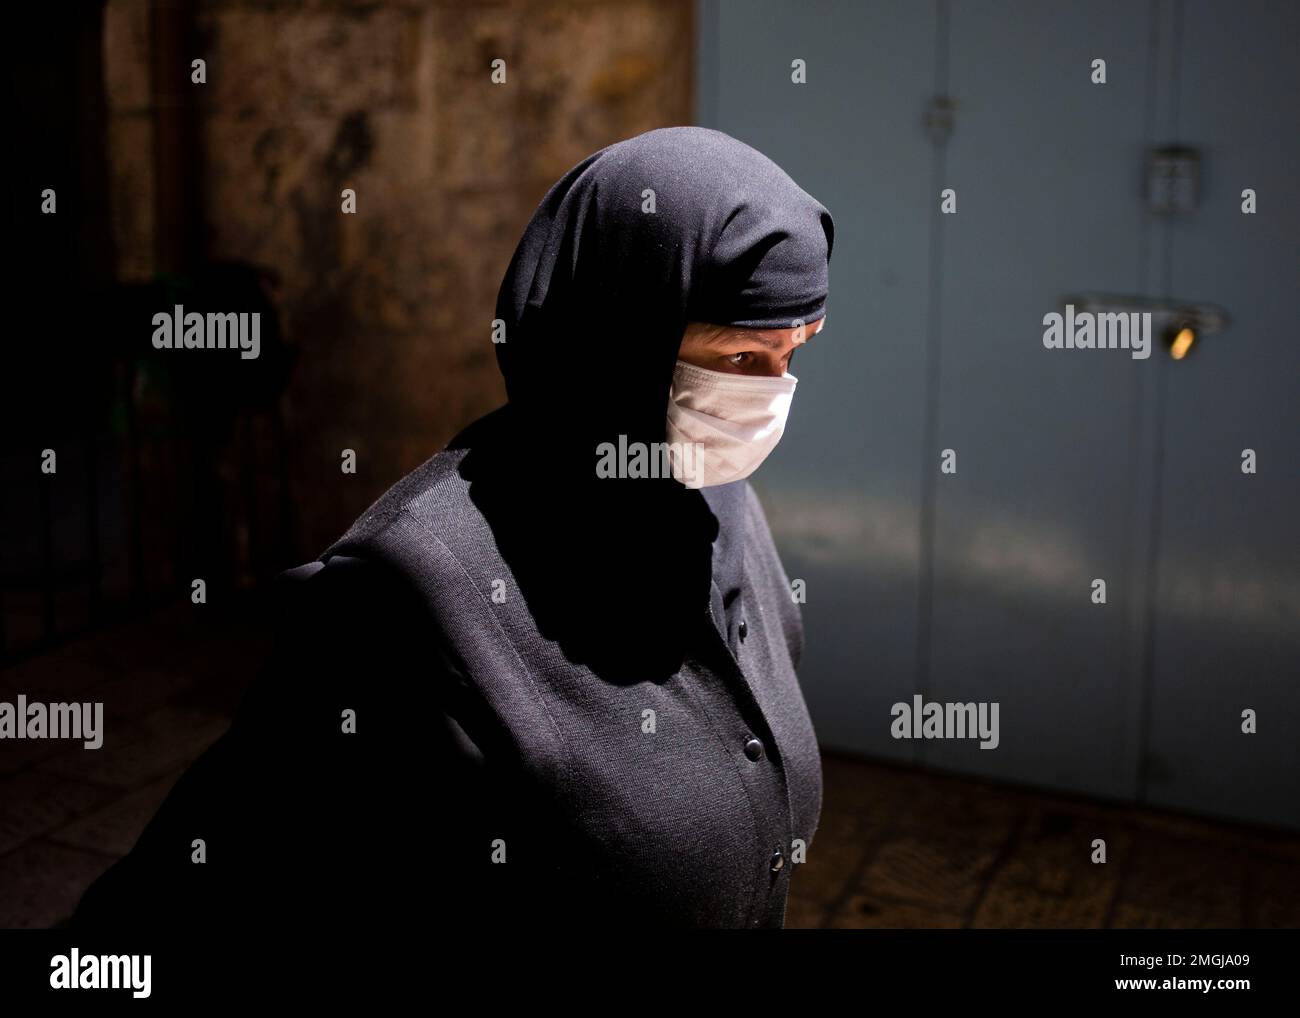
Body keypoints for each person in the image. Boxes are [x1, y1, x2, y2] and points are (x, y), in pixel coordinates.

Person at [71, 125, 835, 930]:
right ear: (619, 339)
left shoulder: (714, 498)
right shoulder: (403, 603)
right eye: (744, 359)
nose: (773, 397)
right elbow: (195, 890)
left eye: (797, 353)